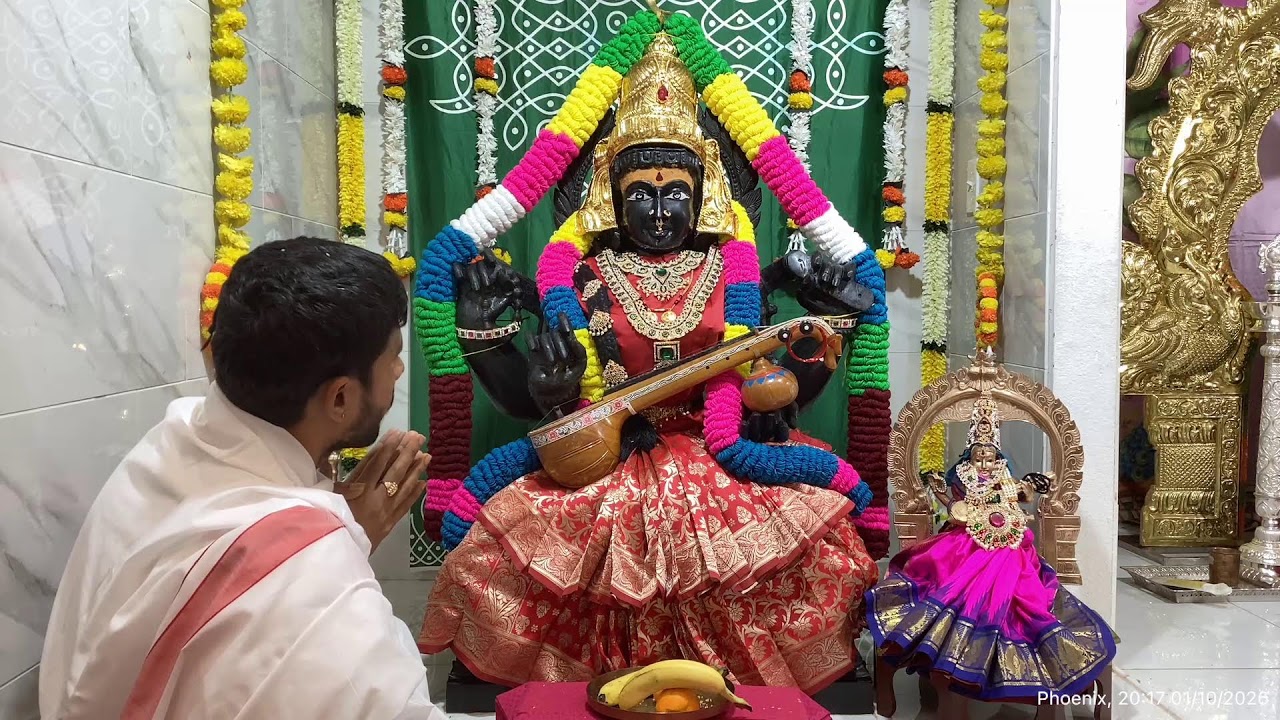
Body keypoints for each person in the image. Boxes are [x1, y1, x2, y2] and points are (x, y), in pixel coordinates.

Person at [417, 33, 881, 693]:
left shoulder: (734, 270)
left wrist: (830, 335)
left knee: (818, 534)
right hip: (605, 446)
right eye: (641, 192)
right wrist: (504, 356)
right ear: (610, 195)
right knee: (493, 549)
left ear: (702, 197)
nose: (660, 210)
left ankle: (729, 677)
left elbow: (774, 388)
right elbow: (534, 404)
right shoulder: (579, 276)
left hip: (720, 446)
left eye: (674, 193)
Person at [40, 238, 447, 720]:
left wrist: (341, 530)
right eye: (393, 357)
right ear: (340, 399)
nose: (400, 369)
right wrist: (337, 543)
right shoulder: (313, 574)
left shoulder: (170, 439)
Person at [865, 394, 1117, 701]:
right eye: (978, 457)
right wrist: (943, 495)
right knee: (944, 569)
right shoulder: (961, 476)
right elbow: (956, 508)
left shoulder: (1006, 478)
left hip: (1009, 541)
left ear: (997, 456)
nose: (984, 463)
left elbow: (1019, 502)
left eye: (989, 457)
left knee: (1015, 573)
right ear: (969, 456)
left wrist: (1027, 489)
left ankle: (994, 646)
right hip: (964, 537)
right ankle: (947, 646)